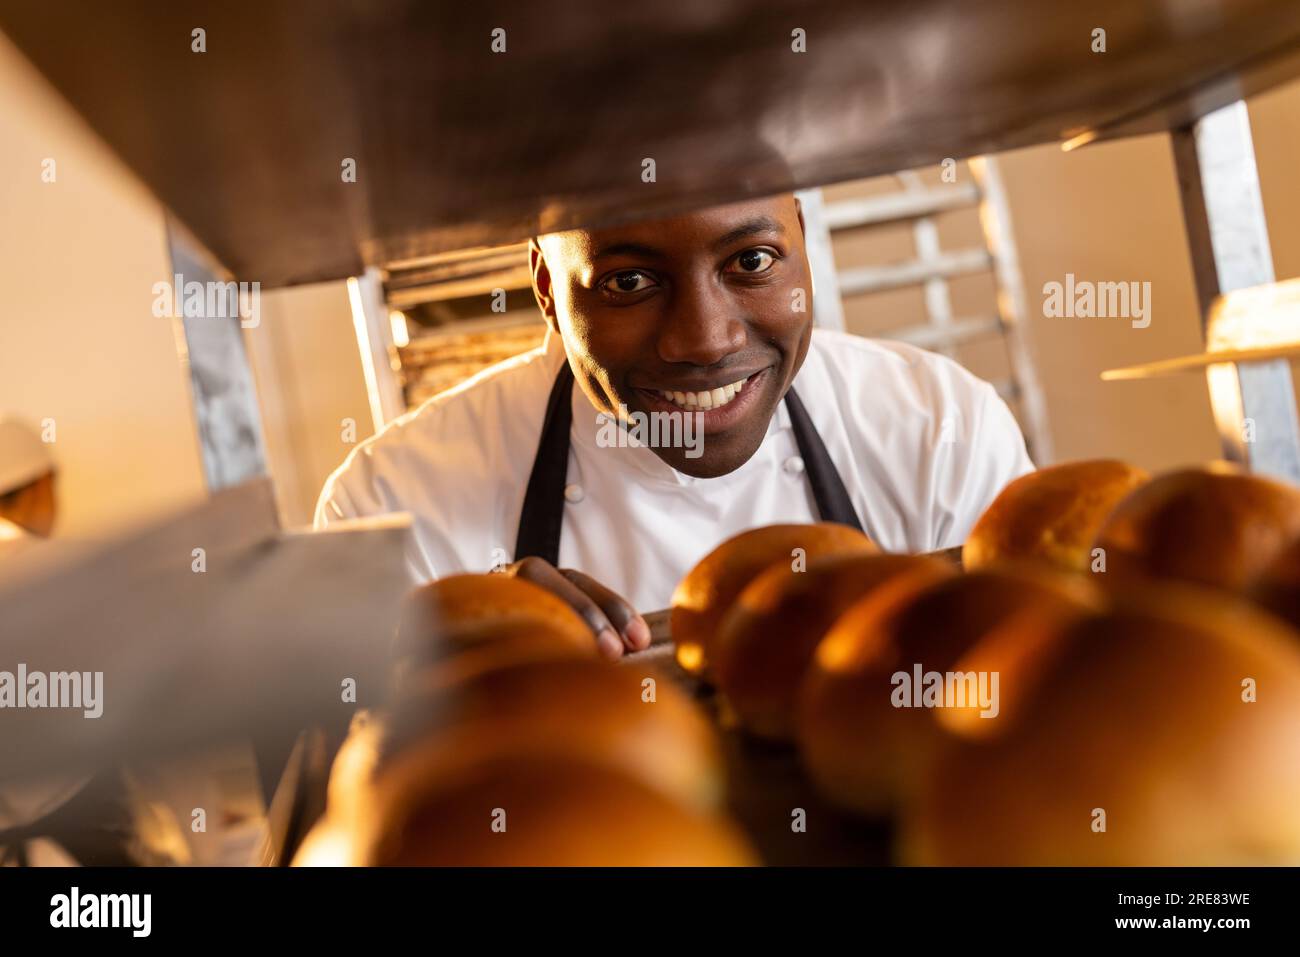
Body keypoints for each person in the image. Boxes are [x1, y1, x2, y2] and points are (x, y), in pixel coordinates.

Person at [315, 194, 1033, 658]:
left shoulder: (941, 429)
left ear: (802, 245)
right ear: (545, 289)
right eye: (629, 281)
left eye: (751, 261)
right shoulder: (394, 504)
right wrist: (455, 684)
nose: (705, 340)